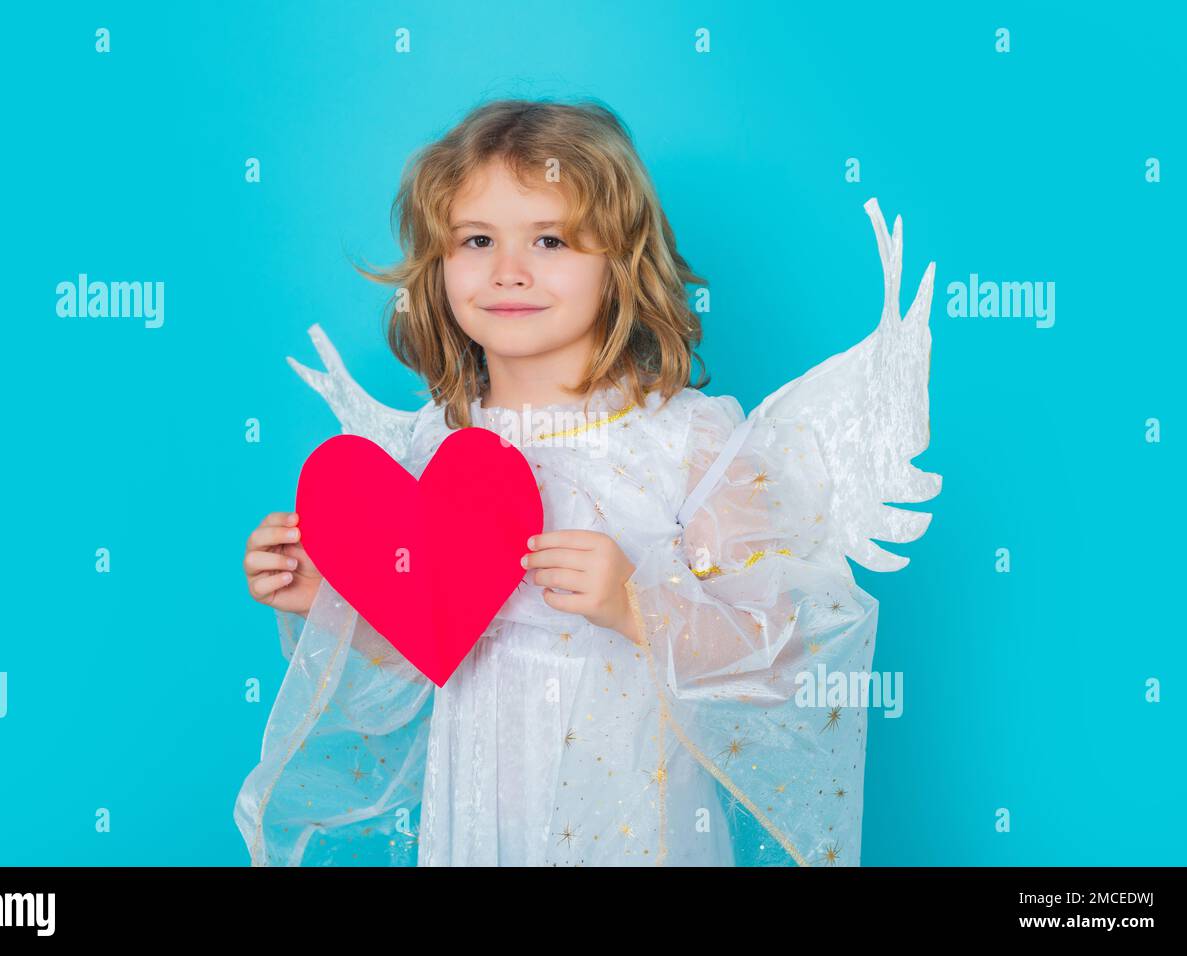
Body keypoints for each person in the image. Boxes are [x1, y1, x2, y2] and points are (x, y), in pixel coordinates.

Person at [235, 98, 940, 866]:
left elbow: (779, 664)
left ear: (622, 262)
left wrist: (639, 604)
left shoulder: (686, 443)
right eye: (476, 240)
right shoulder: (431, 449)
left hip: (630, 815)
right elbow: (424, 649)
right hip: (479, 815)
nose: (509, 270)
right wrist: (331, 601)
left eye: (550, 239)